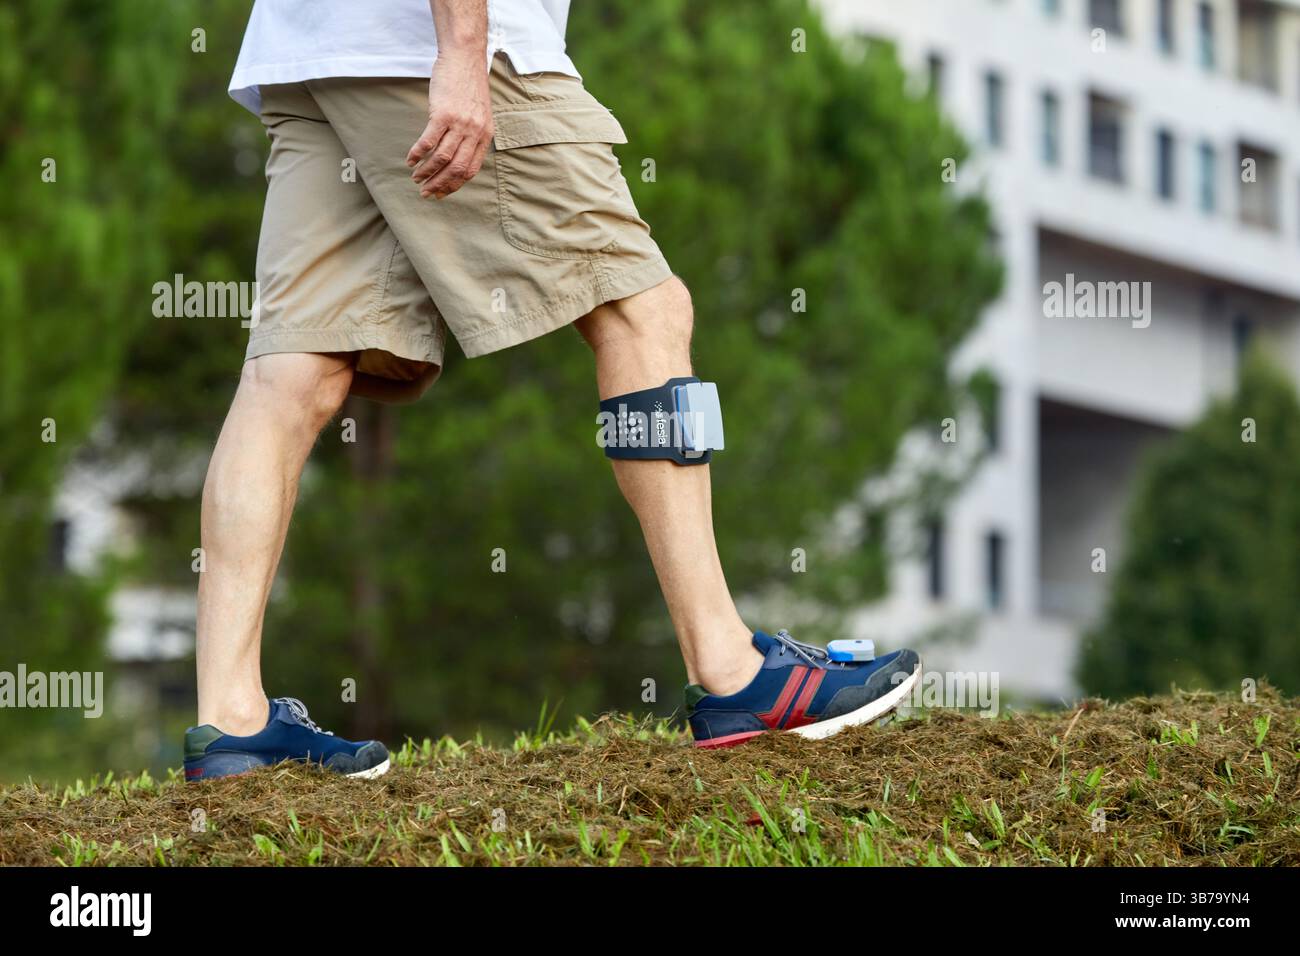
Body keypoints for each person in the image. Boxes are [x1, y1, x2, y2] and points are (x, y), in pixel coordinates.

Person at [183, 0, 920, 781]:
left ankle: (231, 720)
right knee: (642, 309)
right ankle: (732, 671)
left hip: (311, 50)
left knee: (291, 374)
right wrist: (464, 52)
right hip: (432, 45)